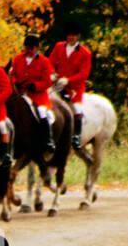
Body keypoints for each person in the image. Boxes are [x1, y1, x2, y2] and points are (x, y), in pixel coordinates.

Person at [10, 33, 56, 154]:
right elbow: (13, 73)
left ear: (36, 48)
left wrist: (35, 86)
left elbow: (47, 82)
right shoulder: (18, 58)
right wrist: (15, 82)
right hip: (20, 94)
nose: (29, 50)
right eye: (27, 48)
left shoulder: (44, 62)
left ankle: (48, 140)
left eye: (31, 48)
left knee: (42, 112)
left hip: (38, 96)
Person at [48, 21, 92, 149]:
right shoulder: (59, 46)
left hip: (74, 87)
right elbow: (51, 63)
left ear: (78, 36)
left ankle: (76, 136)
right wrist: (53, 74)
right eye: (69, 35)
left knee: (77, 109)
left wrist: (68, 80)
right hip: (58, 83)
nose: (71, 37)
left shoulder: (85, 53)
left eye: (73, 35)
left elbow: (84, 74)